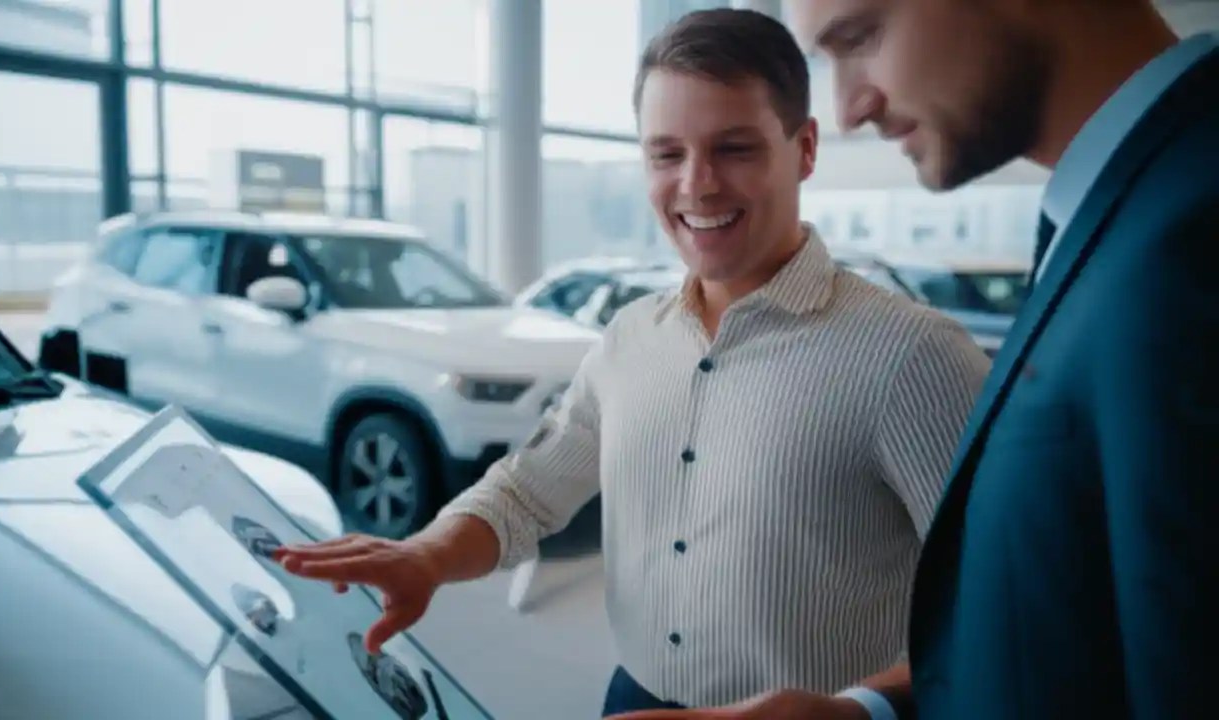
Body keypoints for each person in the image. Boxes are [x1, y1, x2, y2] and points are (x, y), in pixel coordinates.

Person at [274, 8, 988, 716]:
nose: (697, 185)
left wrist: (861, 709)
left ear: (804, 148)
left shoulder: (913, 357)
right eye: (666, 154)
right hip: (632, 697)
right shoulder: (628, 338)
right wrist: (428, 555)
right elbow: (527, 493)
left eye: (734, 149)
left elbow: (1005, 609)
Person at [619, 1, 1219, 718]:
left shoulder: (1193, 237)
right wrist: (861, 713)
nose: (850, 109)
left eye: (861, 35)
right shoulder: (1121, 212)